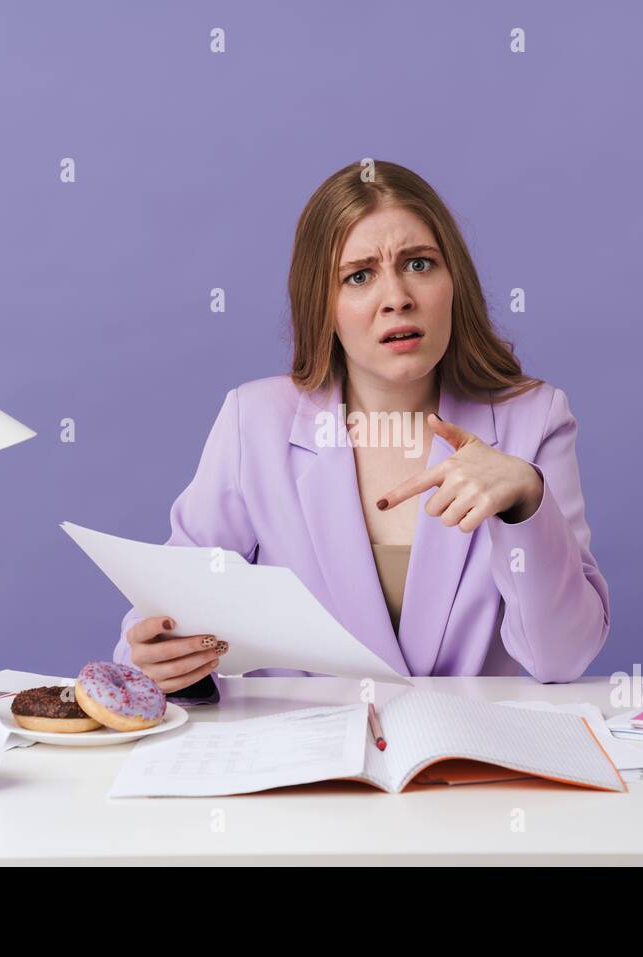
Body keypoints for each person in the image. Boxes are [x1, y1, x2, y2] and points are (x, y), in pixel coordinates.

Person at [115, 160, 610, 701]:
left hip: (465, 768)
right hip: (303, 767)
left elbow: (562, 659)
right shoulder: (253, 421)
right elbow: (163, 616)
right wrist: (155, 658)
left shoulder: (534, 419)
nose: (396, 297)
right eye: (359, 275)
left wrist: (526, 501)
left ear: (455, 283)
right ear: (322, 305)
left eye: (419, 264)